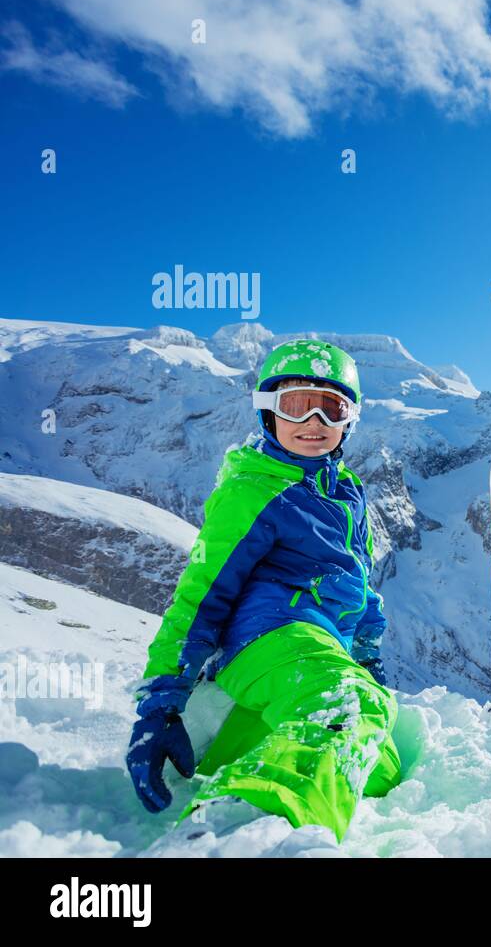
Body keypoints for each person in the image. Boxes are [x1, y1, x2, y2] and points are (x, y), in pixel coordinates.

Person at [125, 338, 401, 845]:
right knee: (350, 707)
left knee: (378, 762)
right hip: (268, 635)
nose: (314, 421)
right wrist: (159, 703)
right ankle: (246, 829)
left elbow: (357, 578)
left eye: (331, 407)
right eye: (296, 405)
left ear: (349, 420)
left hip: (317, 642)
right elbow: (198, 596)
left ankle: (230, 744)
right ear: (268, 413)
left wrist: (365, 653)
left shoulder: (345, 491)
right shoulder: (254, 490)